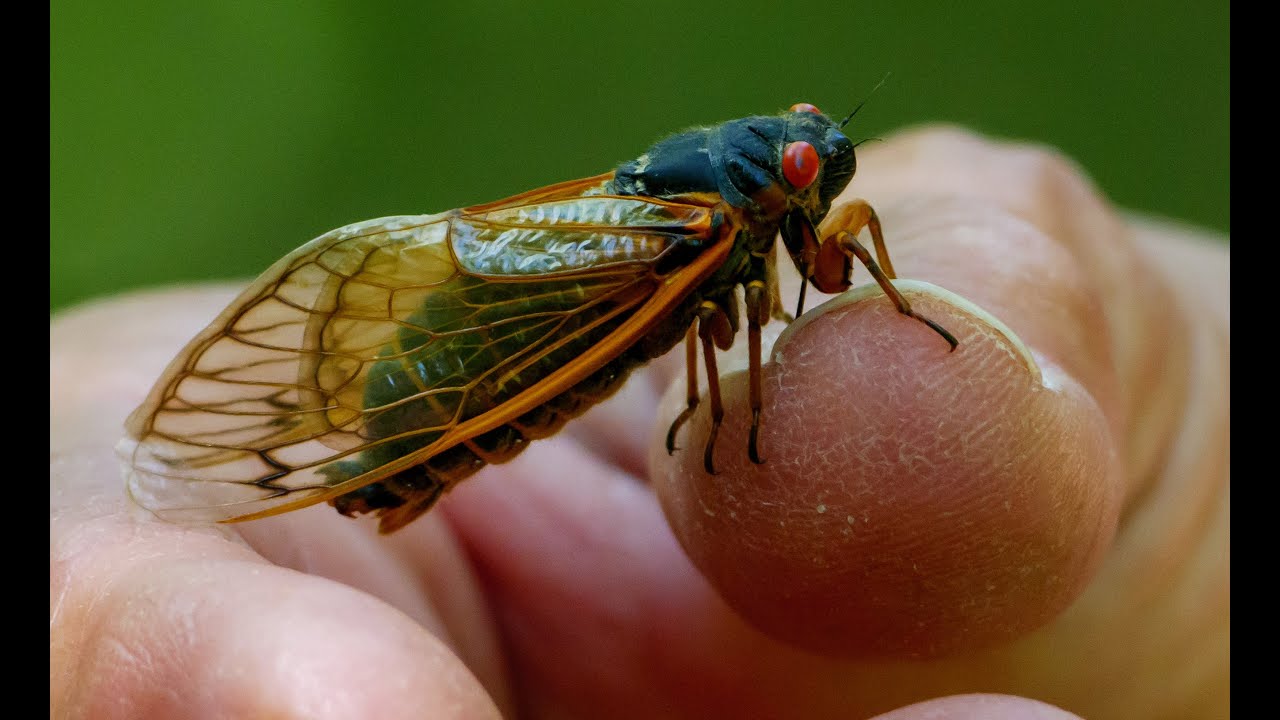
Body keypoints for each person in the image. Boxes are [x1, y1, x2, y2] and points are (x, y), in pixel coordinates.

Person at [50, 127, 1228, 719]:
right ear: (777, 182)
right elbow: (724, 330)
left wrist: (890, 299)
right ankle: (367, 440)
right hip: (559, 319)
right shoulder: (706, 231)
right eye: (812, 162)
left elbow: (762, 315)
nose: (824, 183)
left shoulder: (764, 225)